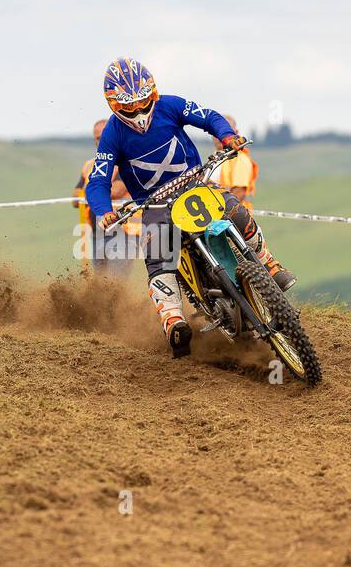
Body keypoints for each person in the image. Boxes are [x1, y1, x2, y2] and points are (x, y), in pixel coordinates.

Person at [87, 57, 295, 359]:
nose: (139, 110)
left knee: (235, 209)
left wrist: (226, 135)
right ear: (114, 105)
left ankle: (269, 264)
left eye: (144, 101)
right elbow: (98, 180)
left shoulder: (170, 105)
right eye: (129, 106)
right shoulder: (113, 135)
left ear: (152, 93)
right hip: (155, 204)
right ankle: (174, 320)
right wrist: (104, 210)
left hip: (195, 185)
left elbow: (208, 116)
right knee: (159, 256)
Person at [73, 119, 139, 276]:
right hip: (98, 231)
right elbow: (75, 196)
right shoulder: (90, 165)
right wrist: (94, 193)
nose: (100, 141)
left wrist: (91, 193)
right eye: (97, 138)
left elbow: (117, 190)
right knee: (101, 284)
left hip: (123, 230)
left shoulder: (126, 162)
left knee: (116, 281)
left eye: (103, 136)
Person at [214, 114, 258, 212]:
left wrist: (222, 215)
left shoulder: (240, 158)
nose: (220, 135)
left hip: (232, 219)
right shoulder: (215, 158)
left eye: (226, 131)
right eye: (216, 131)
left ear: (236, 132)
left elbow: (239, 193)